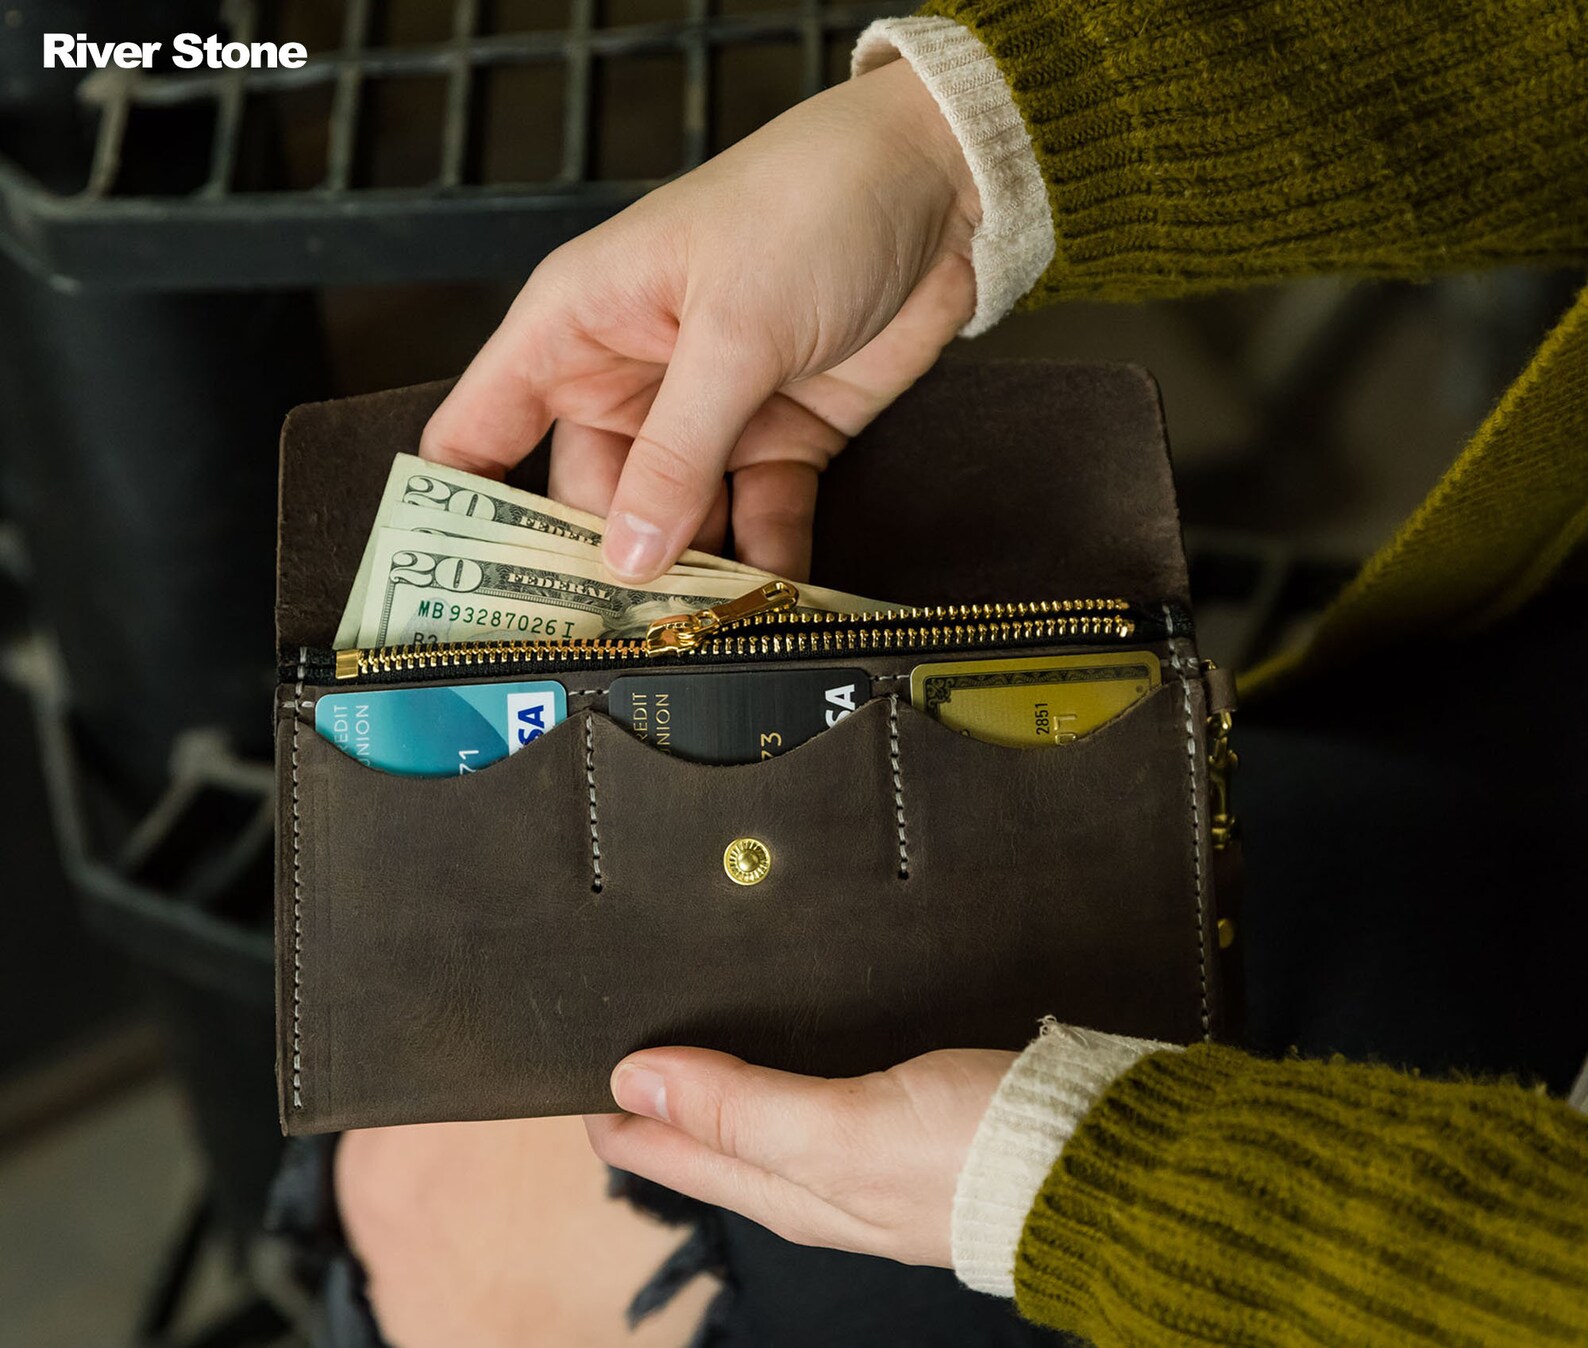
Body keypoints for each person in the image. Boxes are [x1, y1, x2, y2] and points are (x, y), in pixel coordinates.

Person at [333, 2, 1588, 1344]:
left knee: (458, 1207)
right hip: (1526, 771)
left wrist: (1070, 1185)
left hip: (1414, 1251)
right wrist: (951, 152)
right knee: (428, 1168)